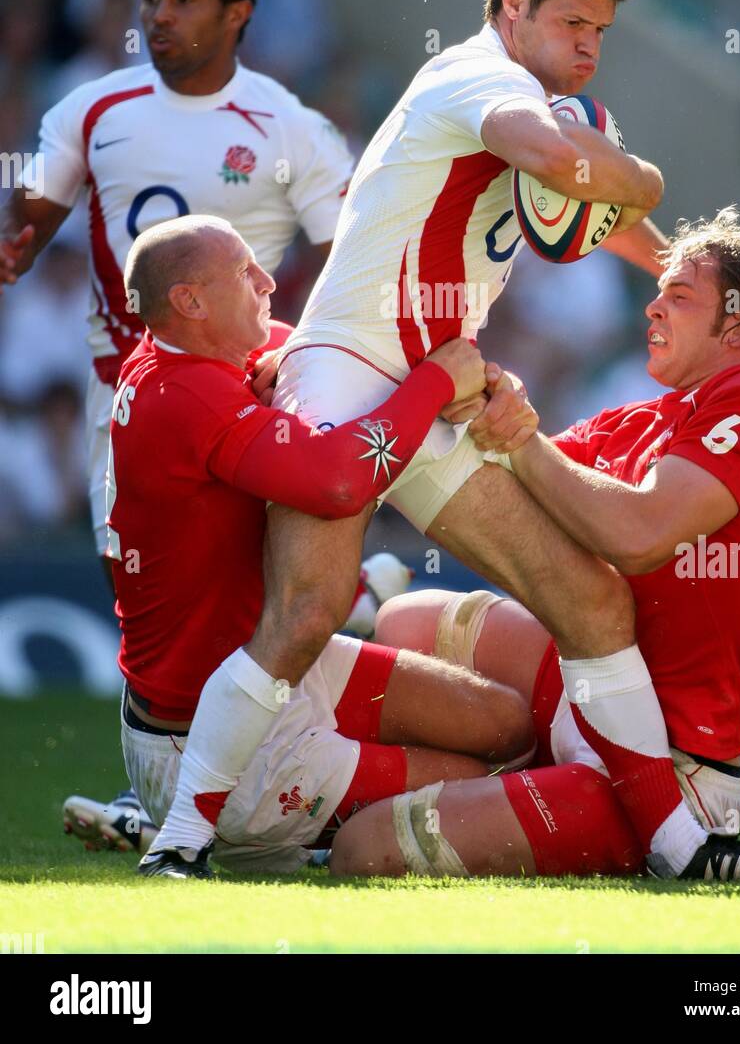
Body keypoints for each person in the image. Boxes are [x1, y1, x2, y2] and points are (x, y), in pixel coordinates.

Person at [152, 0, 740, 882]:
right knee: (307, 610)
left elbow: (590, 203)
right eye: (572, 22)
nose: (587, 45)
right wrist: (641, 175)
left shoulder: (525, 96)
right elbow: (552, 158)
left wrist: (671, 262)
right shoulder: (481, 82)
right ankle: (175, 841)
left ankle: (686, 851)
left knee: (589, 599)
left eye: (600, 31)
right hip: (347, 372)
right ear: (510, 10)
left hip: (438, 387)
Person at [359, 208, 740, 879]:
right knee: (405, 619)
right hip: (587, 693)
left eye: (679, 297)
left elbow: (638, 536)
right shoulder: (641, 416)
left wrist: (519, 438)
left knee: (365, 847)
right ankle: (513, 772)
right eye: (657, 294)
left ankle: (643, 823)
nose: (652, 311)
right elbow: (503, 479)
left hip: (673, 759)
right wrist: (481, 398)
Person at [101, 213, 533, 878]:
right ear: (190, 301)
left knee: (508, 725)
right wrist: (437, 383)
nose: (268, 281)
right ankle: (191, 834)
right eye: (246, 273)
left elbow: (310, 350)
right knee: (472, 783)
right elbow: (336, 483)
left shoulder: (179, 356)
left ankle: (207, 830)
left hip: (266, 671)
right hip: (220, 739)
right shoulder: (189, 397)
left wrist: (487, 381)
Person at [0, 0, 354, 567]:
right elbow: (19, 234)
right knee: (142, 595)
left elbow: (351, 253)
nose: (161, 14)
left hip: (241, 388)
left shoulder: (287, 124)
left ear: (236, 14)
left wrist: (304, 354)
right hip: (125, 393)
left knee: (252, 587)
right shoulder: (92, 110)